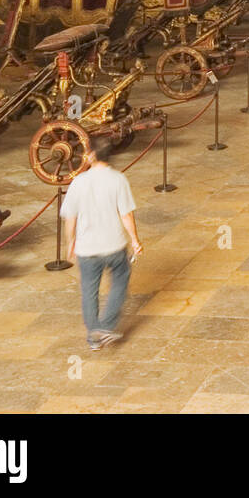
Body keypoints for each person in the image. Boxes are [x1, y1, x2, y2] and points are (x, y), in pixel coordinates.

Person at [60, 138, 143, 350]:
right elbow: (126, 214)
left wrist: (70, 242)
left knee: (89, 291)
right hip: (114, 245)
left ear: (91, 155)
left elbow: (70, 217)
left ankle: (94, 335)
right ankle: (107, 326)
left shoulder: (78, 182)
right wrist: (134, 240)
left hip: (87, 249)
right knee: (120, 283)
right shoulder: (118, 179)